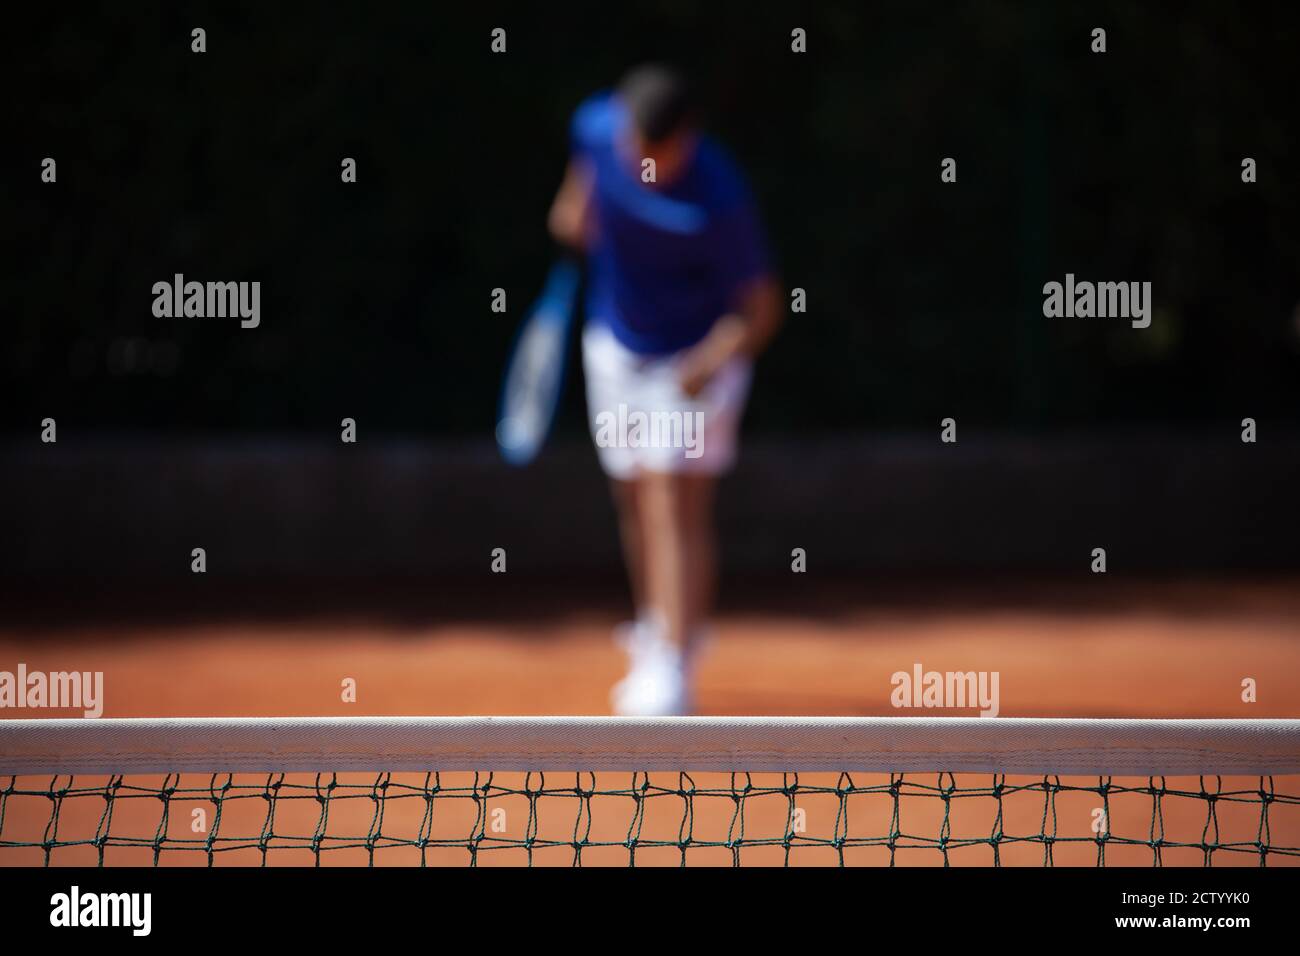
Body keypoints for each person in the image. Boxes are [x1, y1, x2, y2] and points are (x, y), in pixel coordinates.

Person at [548, 64, 781, 715]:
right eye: (635, 150)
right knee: (634, 494)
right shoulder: (599, 130)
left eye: (659, 153)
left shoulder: (720, 197)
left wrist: (708, 360)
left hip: (698, 361)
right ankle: (664, 624)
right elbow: (580, 190)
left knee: (671, 496)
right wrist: (573, 209)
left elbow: (761, 310)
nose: (643, 163)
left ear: (690, 137)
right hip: (617, 350)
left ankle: (672, 670)